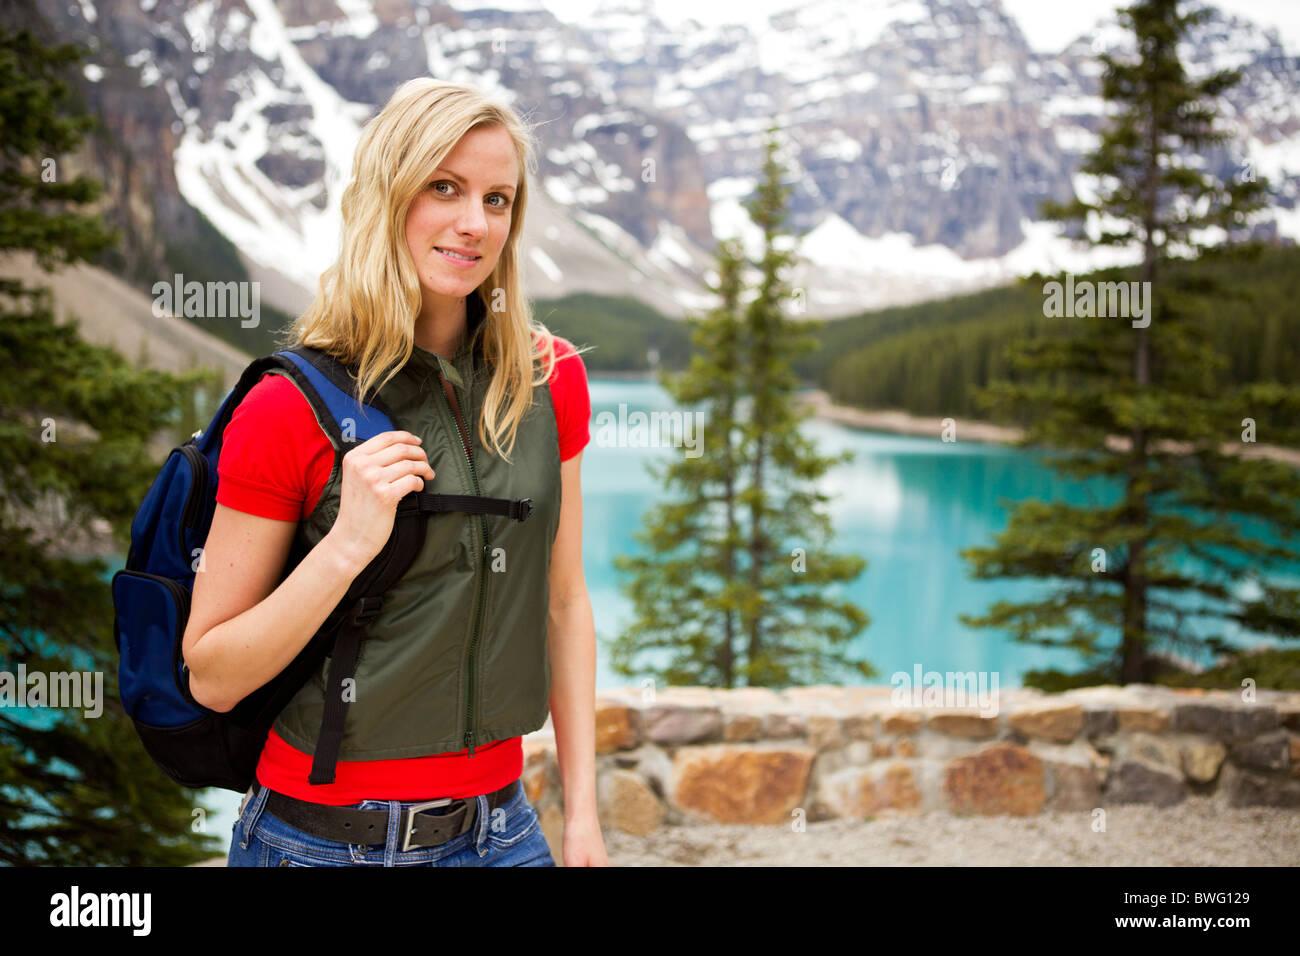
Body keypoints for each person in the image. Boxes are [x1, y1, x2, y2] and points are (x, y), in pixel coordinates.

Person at [182, 77, 608, 867]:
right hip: (321, 842)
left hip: (503, 830)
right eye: (443, 187)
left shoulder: (552, 381)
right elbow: (211, 675)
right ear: (389, 196)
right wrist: (345, 546)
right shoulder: (288, 405)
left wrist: (582, 814)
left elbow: (564, 600)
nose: (473, 223)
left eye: (498, 198)